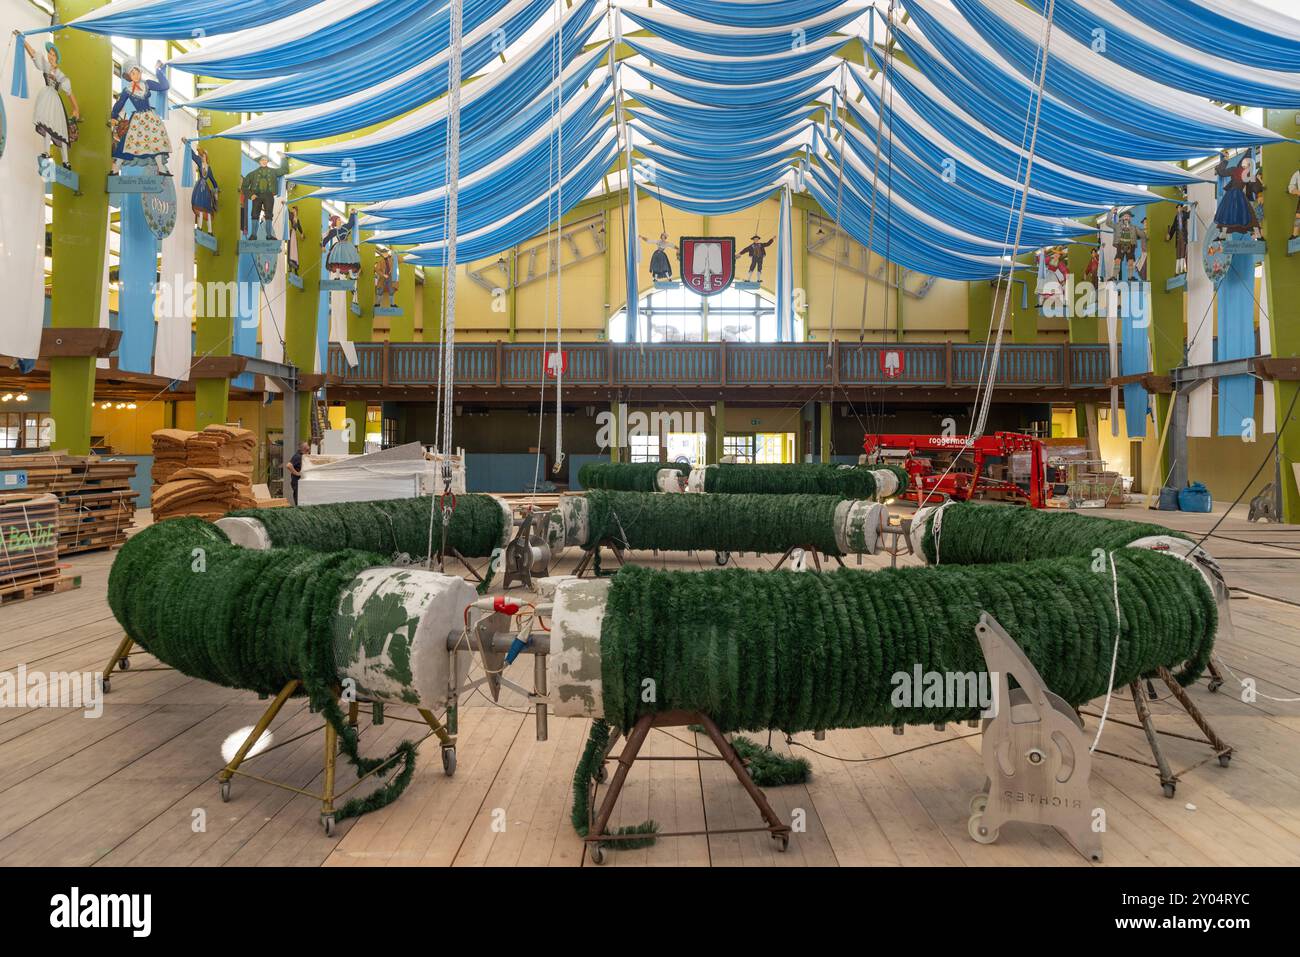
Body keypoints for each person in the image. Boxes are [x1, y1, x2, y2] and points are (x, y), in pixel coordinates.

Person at [16, 32, 78, 169]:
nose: (50, 56)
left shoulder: (60, 74)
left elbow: (69, 92)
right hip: (46, 98)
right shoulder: (46, 66)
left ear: (56, 57)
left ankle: (66, 161)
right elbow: (33, 54)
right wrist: (23, 41)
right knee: (47, 126)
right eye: (49, 53)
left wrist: (76, 108)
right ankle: (46, 152)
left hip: (55, 101)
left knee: (60, 130)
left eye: (52, 54)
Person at [110, 58, 170, 175]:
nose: (136, 75)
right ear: (129, 75)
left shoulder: (147, 84)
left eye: (137, 72)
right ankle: (115, 168)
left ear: (140, 72)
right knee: (128, 142)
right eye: (132, 73)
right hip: (138, 120)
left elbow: (164, 86)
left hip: (150, 117)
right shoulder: (127, 90)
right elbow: (119, 104)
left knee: (155, 140)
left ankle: (161, 168)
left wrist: (158, 71)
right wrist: (113, 116)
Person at [1213, 150, 1264, 240]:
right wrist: (1225, 160)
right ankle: (1223, 235)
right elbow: (1222, 172)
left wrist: (1259, 194)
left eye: (1247, 162)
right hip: (1231, 195)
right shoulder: (1234, 170)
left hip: (1239, 196)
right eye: (1244, 161)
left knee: (1250, 214)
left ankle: (1258, 235)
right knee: (1227, 214)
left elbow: (1254, 184)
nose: (1245, 163)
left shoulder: (1249, 174)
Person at [240, 153, 290, 240]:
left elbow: (285, 170)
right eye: (262, 160)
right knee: (254, 214)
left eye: (265, 160)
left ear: (267, 161)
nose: (264, 161)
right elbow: (244, 186)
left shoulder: (273, 172)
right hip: (256, 196)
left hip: (268, 195)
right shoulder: (252, 174)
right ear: (259, 161)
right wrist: (250, 195)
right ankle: (253, 235)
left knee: (269, 215)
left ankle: (269, 235)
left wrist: (283, 158)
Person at [186, 142, 218, 233]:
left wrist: (216, 191)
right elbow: (192, 155)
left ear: (206, 157)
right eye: (202, 155)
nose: (202, 157)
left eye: (204, 156)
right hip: (200, 187)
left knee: (207, 210)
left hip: (206, 191)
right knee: (199, 208)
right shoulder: (199, 162)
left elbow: (213, 181)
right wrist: (187, 144)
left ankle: (210, 231)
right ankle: (199, 227)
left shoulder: (209, 169)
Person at [323, 212, 361, 278]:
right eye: (338, 220)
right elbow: (327, 238)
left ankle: (351, 275)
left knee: (350, 260)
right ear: (335, 222)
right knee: (337, 261)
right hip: (339, 246)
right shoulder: (334, 231)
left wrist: (352, 214)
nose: (340, 221)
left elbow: (351, 223)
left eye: (340, 219)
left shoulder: (345, 227)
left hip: (347, 246)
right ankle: (337, 276)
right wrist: (323, 245)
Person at [286, 207, 305, 275]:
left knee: (294, 251)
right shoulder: (292, 217)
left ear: (296, 211)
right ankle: (290, 267)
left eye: (294, 211)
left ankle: (296, 269)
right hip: (291, 234)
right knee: (290, 249)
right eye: (293, 211)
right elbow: (288, 212)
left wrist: (302, 233)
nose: (293, 211)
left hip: (294, 235)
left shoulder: (297, 220)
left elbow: (299, 228)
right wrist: (285, 204)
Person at [1288, 165, 1300, 239]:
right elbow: (1291, 186)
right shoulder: (1298, 173)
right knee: (1298, 216)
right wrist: (1296, 191)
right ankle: (1294, 236)